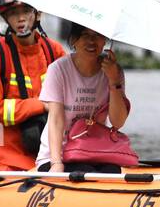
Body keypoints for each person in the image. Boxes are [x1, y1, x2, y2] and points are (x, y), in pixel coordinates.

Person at [0, 0, 65, 171]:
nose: (20, 18)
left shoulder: (54, 51)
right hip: (5, 158)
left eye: (26, 11)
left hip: (48, 154)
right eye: (13, 13)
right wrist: (42, 104)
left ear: (38, 13)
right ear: (5, 18)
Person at [40, 23, 130, 173]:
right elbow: (56, 119)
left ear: (104, 41)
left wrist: (114, 81)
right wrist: (56, 163)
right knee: (85, 171)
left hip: (95, 152)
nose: (91, 42)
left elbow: (118, 122)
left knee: (113, 170)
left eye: (97, 36)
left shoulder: (113, 71)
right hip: (58, 153)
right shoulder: (58, 69)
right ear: (74, 40)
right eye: (85, 35)